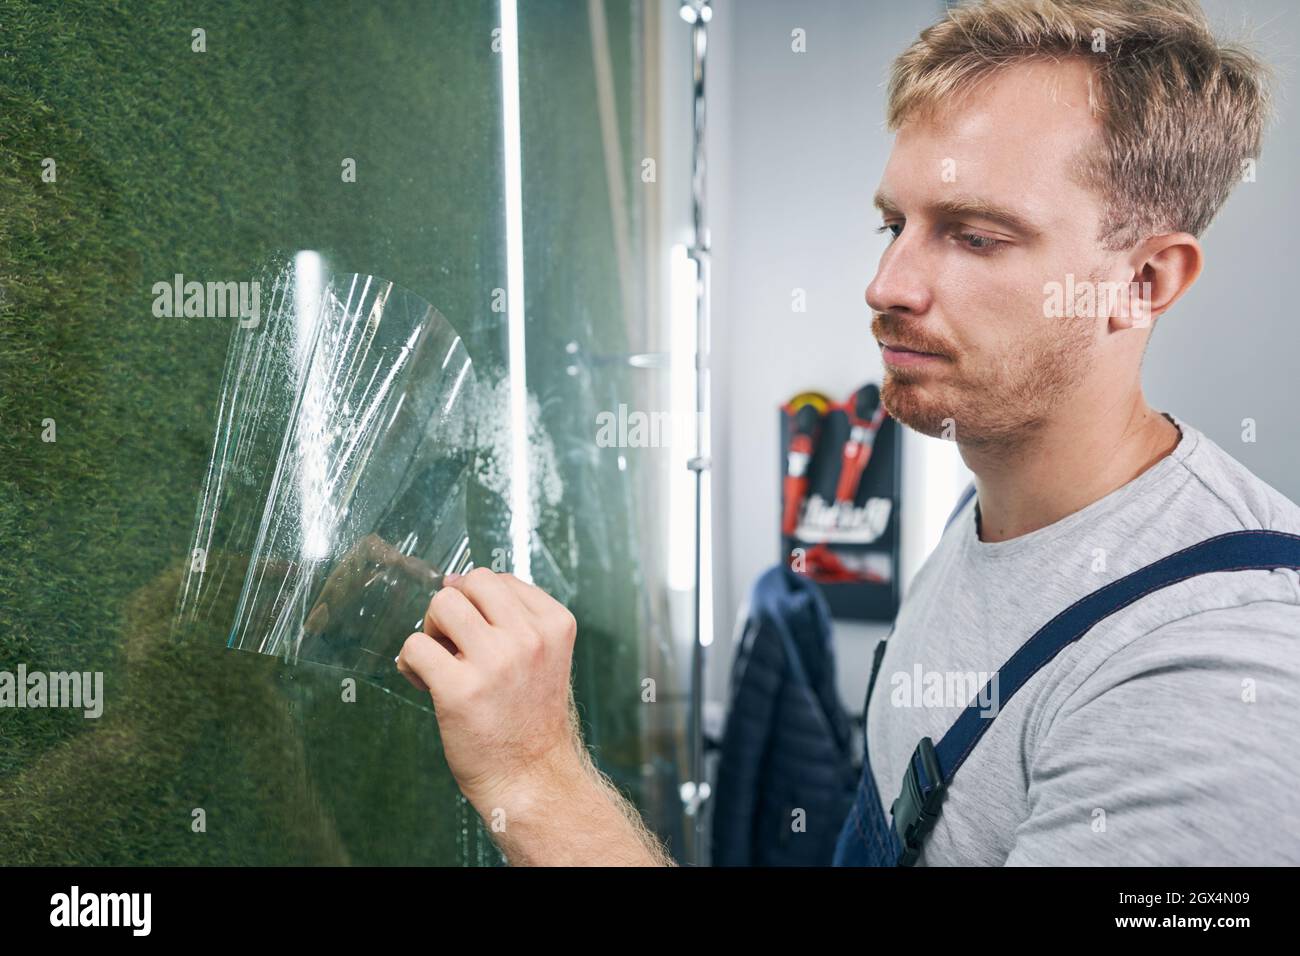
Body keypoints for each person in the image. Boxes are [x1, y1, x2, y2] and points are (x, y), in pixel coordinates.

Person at [395, 0, 1300, 865]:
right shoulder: (990, 508)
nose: (887, 284)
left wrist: (535, 776)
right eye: (894, 224)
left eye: (976, 236)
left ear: (1145, 282)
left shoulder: (1209, 685)